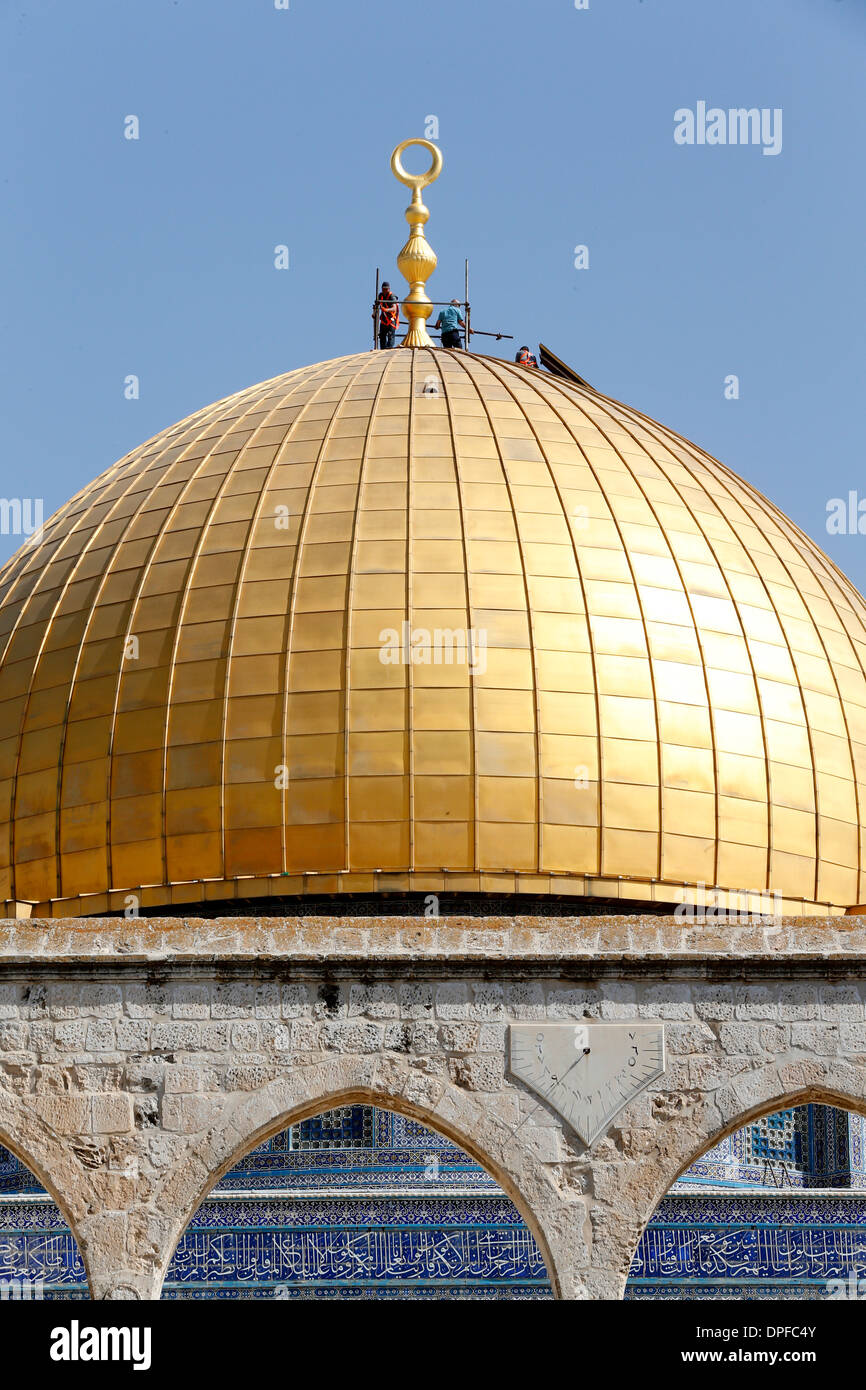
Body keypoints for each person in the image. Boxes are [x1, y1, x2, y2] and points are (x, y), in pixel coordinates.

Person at [374, 282, 400, 350]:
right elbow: (376, 305)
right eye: (383, 289)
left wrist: (386, 310)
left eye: (386, 289)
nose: (385, 291)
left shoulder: (392, 296)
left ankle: (389, 348)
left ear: (389, 289)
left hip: (391, 318)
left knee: (390, 335)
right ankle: (383, 349)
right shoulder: (380, 295)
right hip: (384, 319)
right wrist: (374, 313)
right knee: (382, 335)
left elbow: (394, 308)